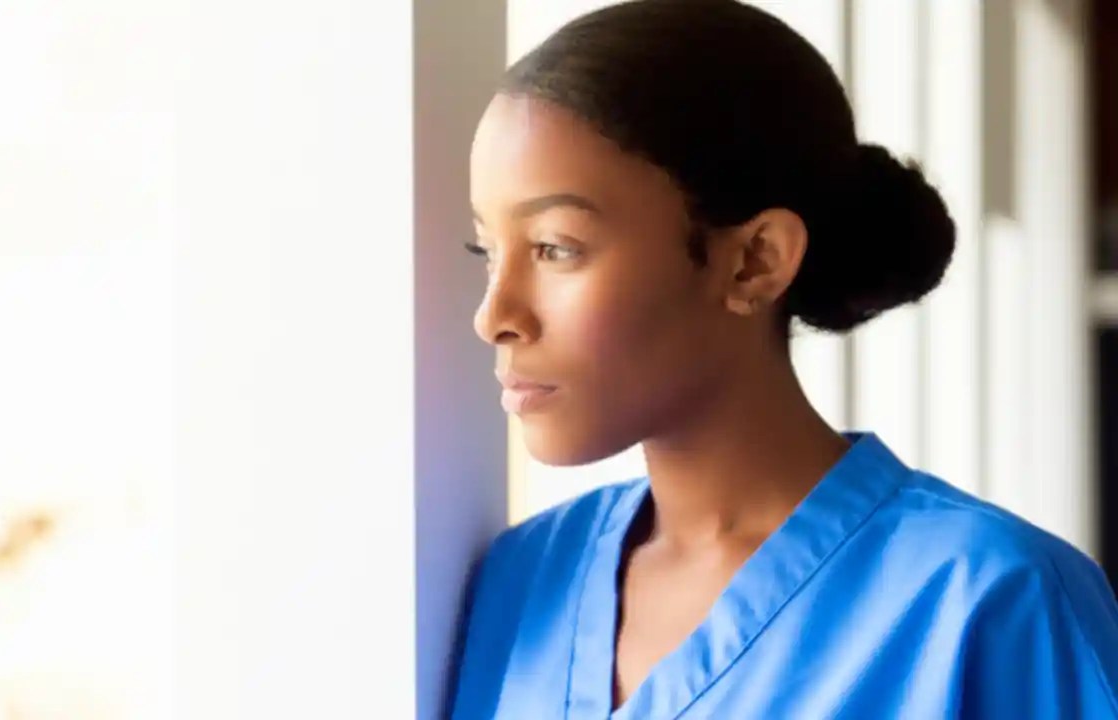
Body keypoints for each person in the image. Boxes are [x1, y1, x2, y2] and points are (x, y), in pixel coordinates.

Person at [448, 1, 1118, 718]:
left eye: (555, 248)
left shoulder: (992, 599)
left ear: (753, 263)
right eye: (486, 252)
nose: (495, 318)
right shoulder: (516, 582)